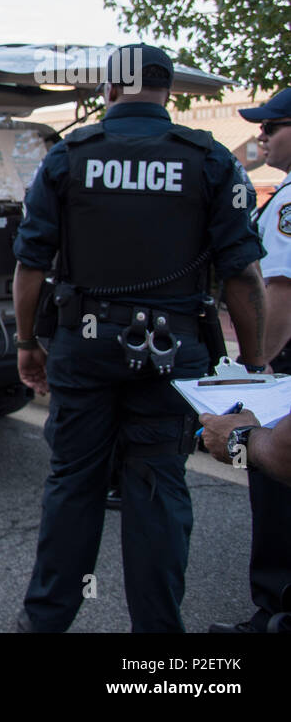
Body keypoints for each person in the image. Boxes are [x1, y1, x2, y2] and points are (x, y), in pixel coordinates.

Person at [11, 44, 266, 633]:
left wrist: (28, 343)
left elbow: (30, 265)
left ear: (109, 91)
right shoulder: (207, 159)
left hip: (84, 345)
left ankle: (43, 624)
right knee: (157, 485)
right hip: (174, 354)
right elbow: (242, 274)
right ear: (167, 91)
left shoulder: (68, 156)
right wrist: (252, 366)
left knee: (74, 483)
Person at [197, 90, 291, 632]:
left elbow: (279, 291)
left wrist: (255, 371)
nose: (262, 134)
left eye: (273, 125)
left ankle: (276, 610)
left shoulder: (289, 203)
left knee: (277, 480)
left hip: (283, 371)